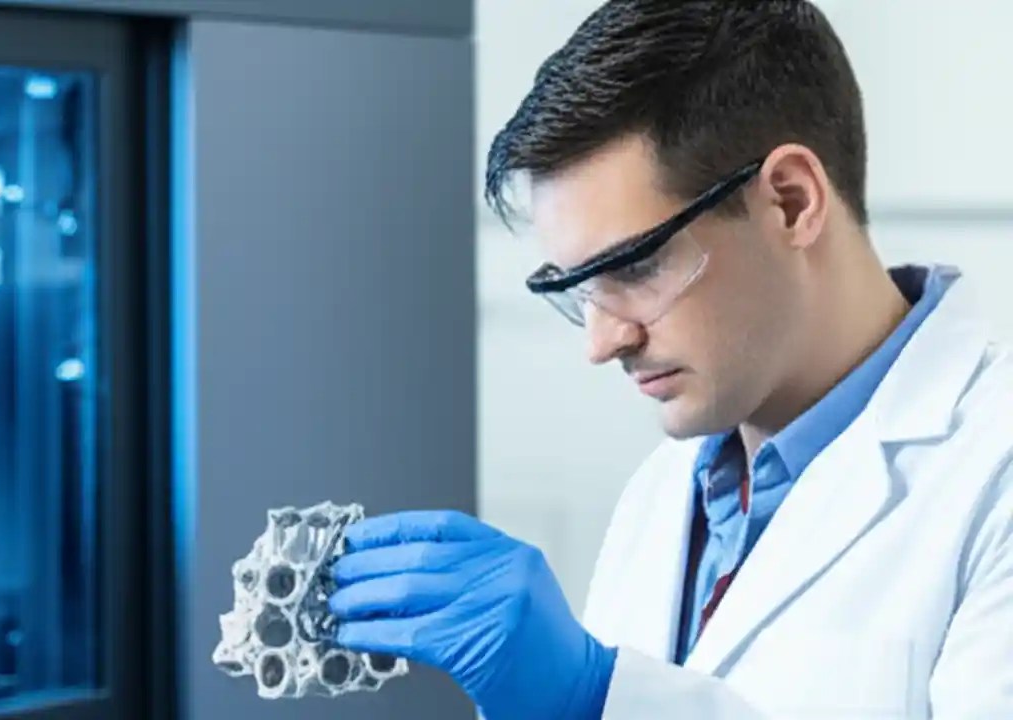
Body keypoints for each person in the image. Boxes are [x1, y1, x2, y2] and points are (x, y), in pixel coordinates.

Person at [325, 1, 1013, 718]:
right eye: (579, 288)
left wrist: (598, 699)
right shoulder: (665, 495)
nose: (601, 342)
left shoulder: (993, 476)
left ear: (789, 201)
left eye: (636, 266)